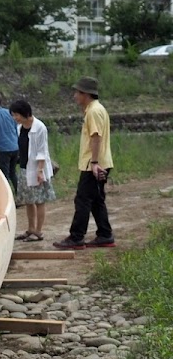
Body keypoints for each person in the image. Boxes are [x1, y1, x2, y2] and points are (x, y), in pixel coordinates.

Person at [54, 76, 114, 250]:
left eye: (77, 92)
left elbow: (96, 137)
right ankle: (105, 235)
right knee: (96, 200)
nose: (74, 96)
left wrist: (94, 163)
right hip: (100, 162)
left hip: (94, 164)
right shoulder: (96, 109)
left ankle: (76, 237)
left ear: (86, 94)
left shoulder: (94, 111)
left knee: (82, 200)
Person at [9, 99, 55, 242]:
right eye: (13, 115)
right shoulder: (19, 128)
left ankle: (38, 231)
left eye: (16, 115)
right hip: (24, 168)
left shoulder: (39, 127)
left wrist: (40, 171)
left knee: (39, 201)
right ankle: (30, 229)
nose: (15, 118)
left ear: (25, 113)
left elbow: (42, 151)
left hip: (37, 169)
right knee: (29, 201)